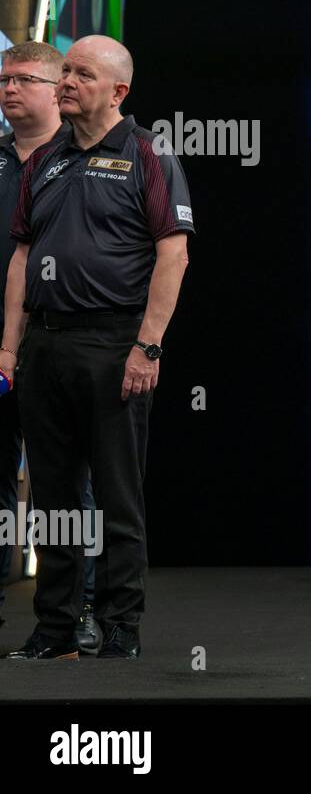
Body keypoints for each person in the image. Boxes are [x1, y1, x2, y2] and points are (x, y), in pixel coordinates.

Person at [1, 36, 194, 661]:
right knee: (54, 501)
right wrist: (10, 350)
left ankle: (119, 627)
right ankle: (55, 628)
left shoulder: (148, 153)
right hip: (45, 347)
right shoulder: (44, 159)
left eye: (83, 74)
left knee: (116, 497)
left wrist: (149, 348)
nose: (68, 82)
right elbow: (23, 257)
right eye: (66, 72)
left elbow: (174, 253)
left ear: (119, 90)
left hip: (115, 344)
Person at [0, 43, 98, 648]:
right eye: (2, 79)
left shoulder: (86, 158)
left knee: (65, 485)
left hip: (58, 342)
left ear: (56, 84)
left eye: (23, 79)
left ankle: (76, 610)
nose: (9, 89)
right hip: (2, 350)